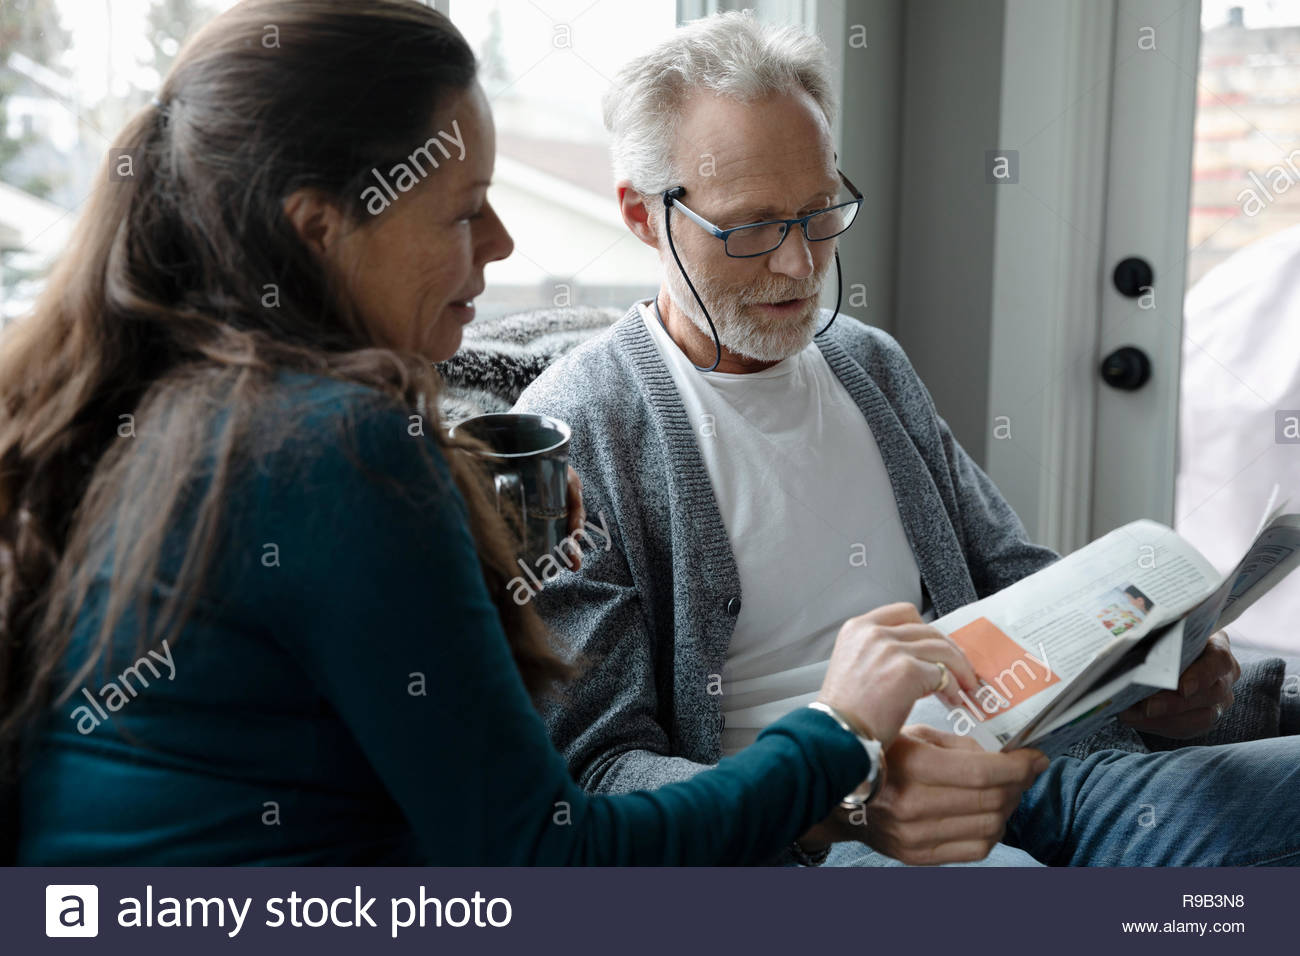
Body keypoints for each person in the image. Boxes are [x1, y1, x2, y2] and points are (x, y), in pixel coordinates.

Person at [0, 0, 984, 865]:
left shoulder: (162, 401)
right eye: (463, 212)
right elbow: (549, 858)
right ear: (319, 229)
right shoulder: (337, 447)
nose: (502, 244)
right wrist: (837, 726)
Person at [513, 11, 1300, 867]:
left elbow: (1017, 583)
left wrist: (1159, 677)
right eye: (752, 229)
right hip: (820, 835)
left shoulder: (865, 364)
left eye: (820, 215)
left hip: (1033, 774)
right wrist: (846, 796)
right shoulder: (576, 425)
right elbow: (600, 767)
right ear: (640, 215)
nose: (799, 267)